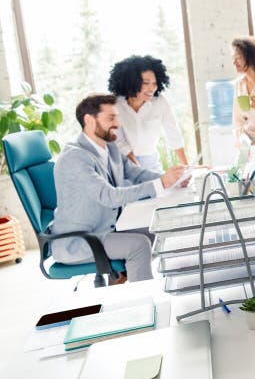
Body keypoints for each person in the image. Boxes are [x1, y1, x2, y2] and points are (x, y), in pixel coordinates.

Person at [49, 94, 188, 283]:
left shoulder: (110, 148)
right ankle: (142, 303)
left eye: (118, 117)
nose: (118, 124)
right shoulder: (75, 158)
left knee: (159, 230)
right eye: (111, 118)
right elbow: (109, 196)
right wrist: (160, 184)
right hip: (80, 240)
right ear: (89, 120)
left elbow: (136, 173)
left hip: (107, 228)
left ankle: (125, 280)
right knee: (138, 245)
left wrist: (172, 180)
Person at [107, 55, 188, 172]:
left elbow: (173, 134)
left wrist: (186, 167)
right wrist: (139, 170)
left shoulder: (159, 102)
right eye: (146, 83)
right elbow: (119, 142)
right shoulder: (115, 104)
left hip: (152, 162)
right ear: (131, 82)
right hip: (124, 163)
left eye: (155, 83)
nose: (152, 88)